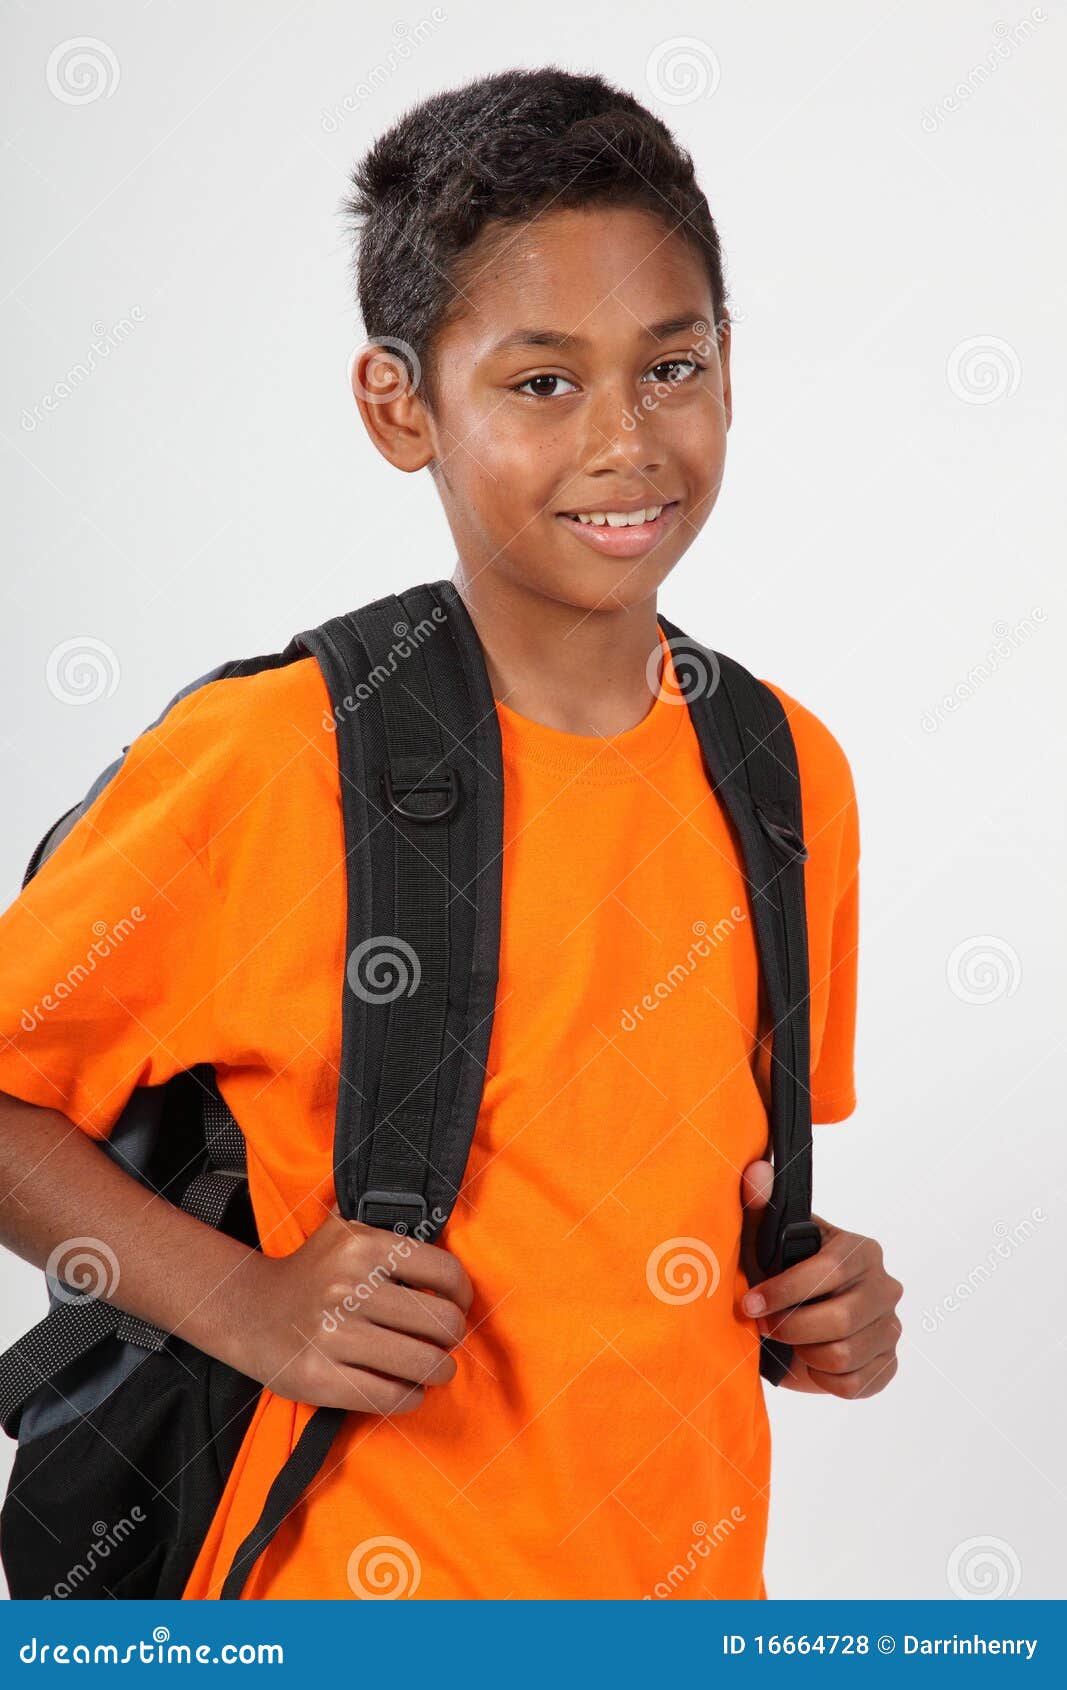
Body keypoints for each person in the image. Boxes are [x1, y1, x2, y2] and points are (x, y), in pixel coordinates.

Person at [0, 66, 902, 1600]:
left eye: (671, 365)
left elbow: (662, 1198)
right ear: (400, 406)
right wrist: (248, 1303)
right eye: (543, 382)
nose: (625, 438)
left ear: (729, 367)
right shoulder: (271, 757)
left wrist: (822, 1297)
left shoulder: (786, 770)